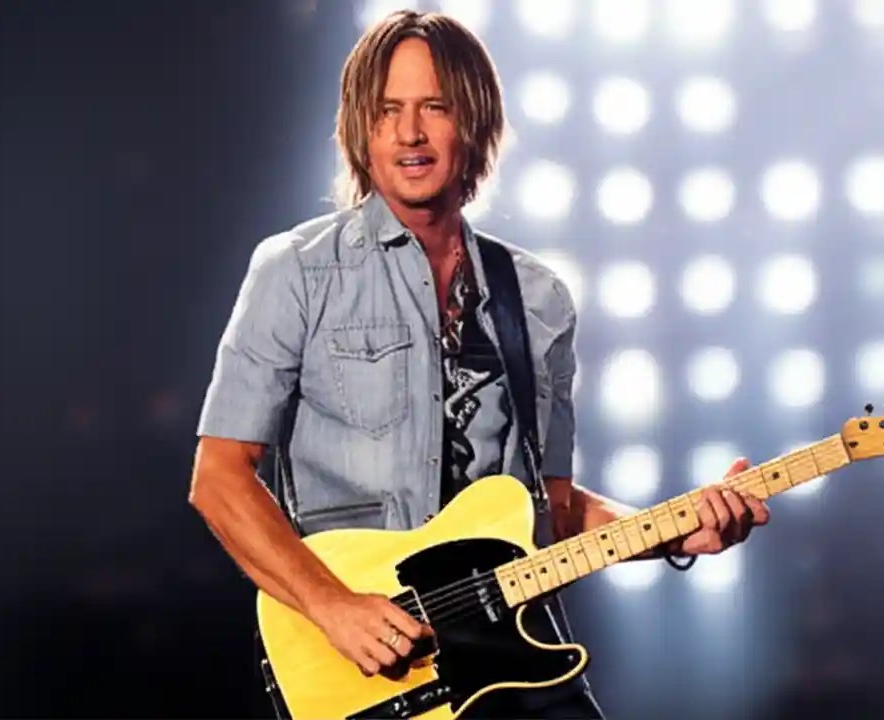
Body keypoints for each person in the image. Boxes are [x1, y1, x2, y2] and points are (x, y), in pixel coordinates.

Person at [188, 9, 770, 719]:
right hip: (369, 666)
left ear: (476, 121)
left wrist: (673, 530)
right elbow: (219, 478)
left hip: (510, 653)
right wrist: (332, 605)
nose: (409, 132)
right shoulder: (296, 271)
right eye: (388, 110)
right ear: (361, 128)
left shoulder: (538, 298)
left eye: (434, 107)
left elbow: (549, 513)